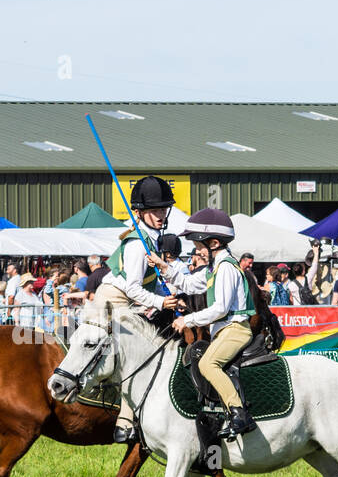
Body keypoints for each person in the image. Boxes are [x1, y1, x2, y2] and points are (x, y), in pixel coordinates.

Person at [153, 208, 257, 438]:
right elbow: (188, 285)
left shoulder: (227, 267)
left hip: (235, 330)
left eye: (199, 246)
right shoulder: (213, 268)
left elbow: (220, 309)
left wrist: (187, 319)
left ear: (214, 243)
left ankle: (239, 414)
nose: (196, 251)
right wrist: (163, 266)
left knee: (208, 365)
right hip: (225, 331)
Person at [93, 175, 181, 443]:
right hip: (114, 300)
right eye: (154, 210)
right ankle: (124, 422)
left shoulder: (151, 238)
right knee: (140, 356)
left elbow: (147, 286)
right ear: (140, 212)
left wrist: (169, 296)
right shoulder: (136, 242)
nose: (160, 214)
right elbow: (131, 287)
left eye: (163, 209)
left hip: (129, 301)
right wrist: (159, 302)